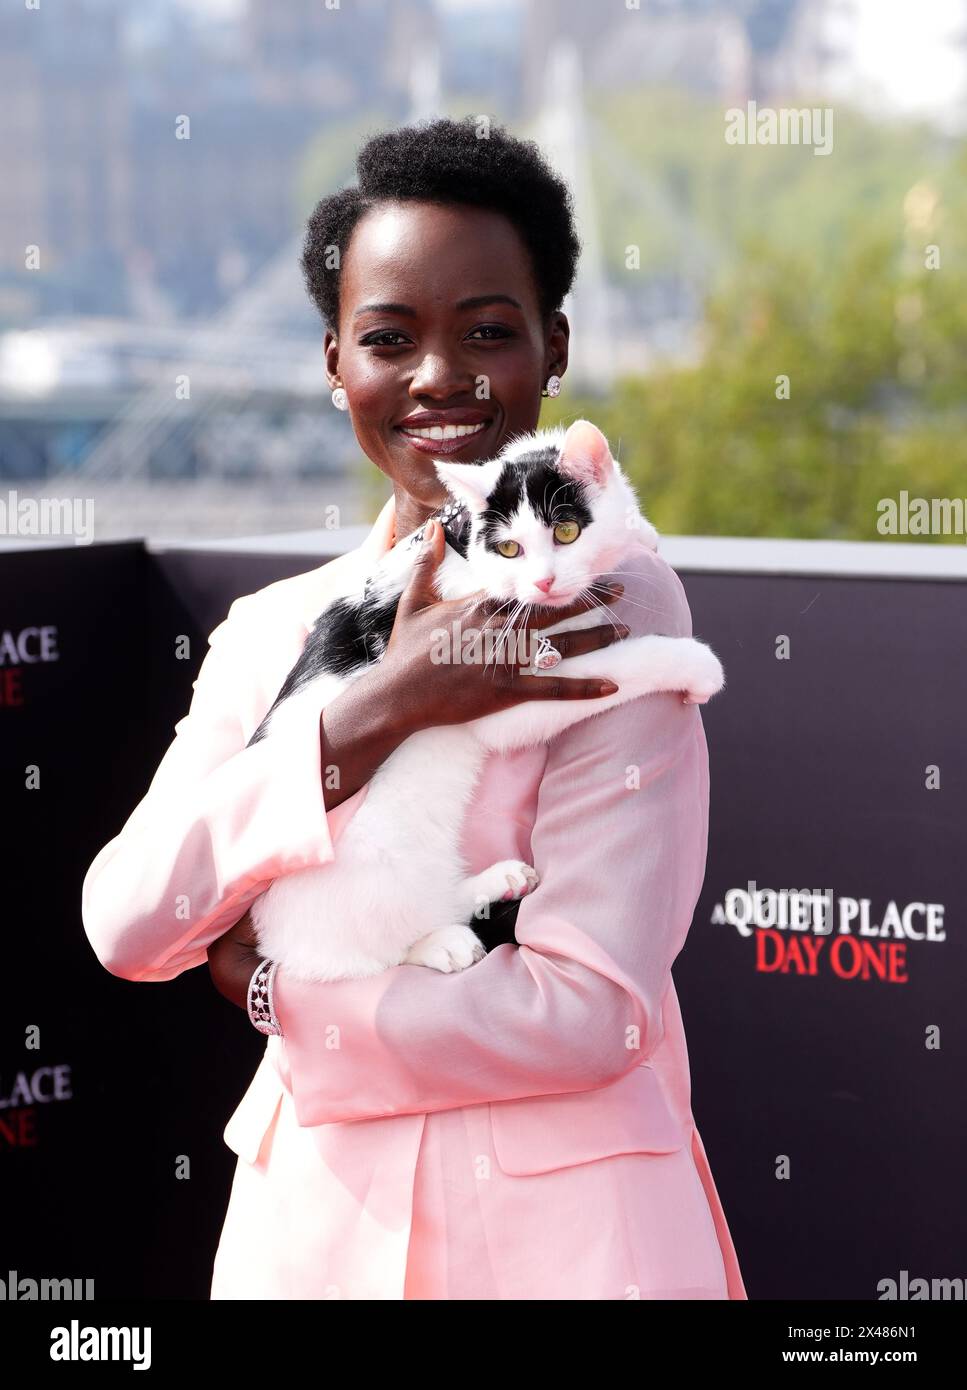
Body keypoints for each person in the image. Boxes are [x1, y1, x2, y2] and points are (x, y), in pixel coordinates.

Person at [81, 116, 747, 1301]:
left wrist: (293, 1000)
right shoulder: (276, 627)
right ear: (336, 366)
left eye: (488, 333)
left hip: (573, 1256)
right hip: (309, 1247)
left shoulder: (605, 593)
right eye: (389, 338)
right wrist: (377, 710)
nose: (439, 377)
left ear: (552, 350)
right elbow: (131, 922)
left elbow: (583, 1011)